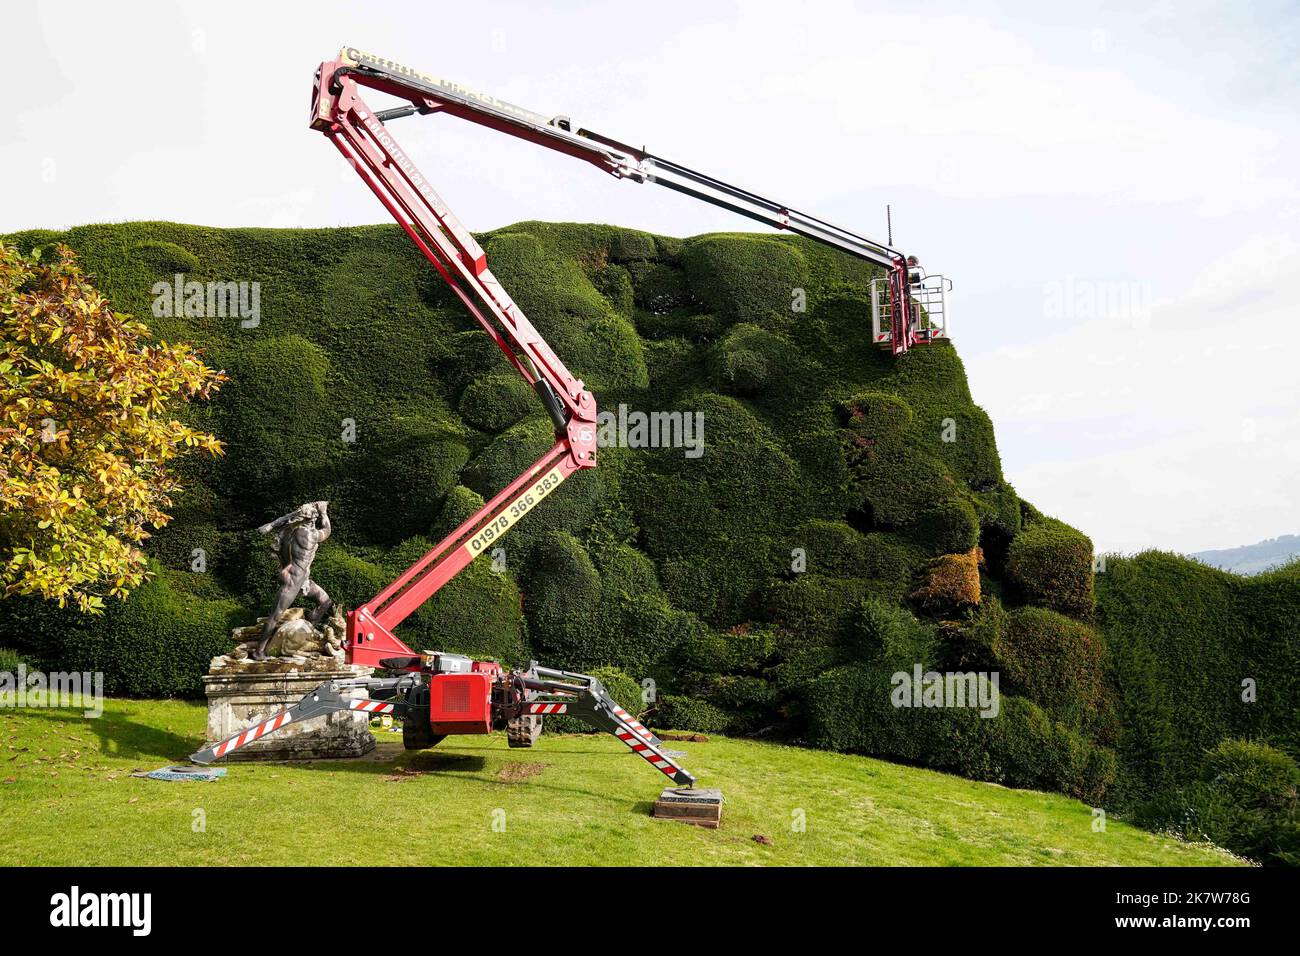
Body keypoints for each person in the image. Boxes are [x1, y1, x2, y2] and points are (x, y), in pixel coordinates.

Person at [252, 501, 333, 661]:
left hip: (302, 579)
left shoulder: (290, 529)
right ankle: (259, 651)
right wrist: (324, 512)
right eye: (315, 517)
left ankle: (308, 626)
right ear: (311, 519)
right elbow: (327, 531)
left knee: (325, 601)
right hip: (294, 580)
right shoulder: (309, 535)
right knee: (275, 616)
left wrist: (270, 525)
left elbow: (288, 517)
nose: (316, 519)